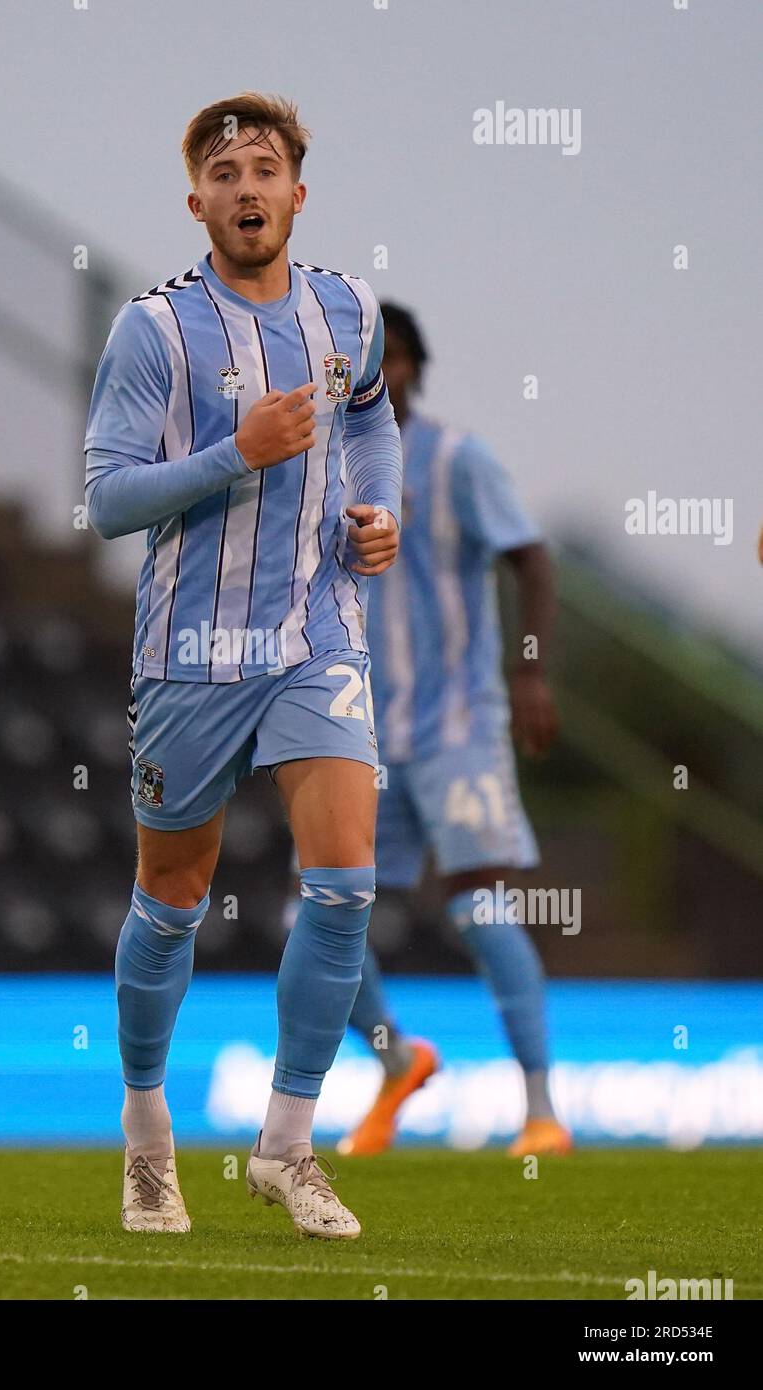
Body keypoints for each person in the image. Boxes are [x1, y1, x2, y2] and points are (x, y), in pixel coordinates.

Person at [84, 92, 403, 1238]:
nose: (247, 189)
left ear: (296, 194)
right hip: (189, 649)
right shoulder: (152, 330)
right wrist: (236, 451)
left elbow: (369, 421)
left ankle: (285, 1143)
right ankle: (146, 1141)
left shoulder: (345, 312)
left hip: (316, 637)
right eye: (224, 176)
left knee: (345, 879)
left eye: (264, 169)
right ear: (197, 203)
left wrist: (379, 511)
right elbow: (107, 498)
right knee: (170, 898)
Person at [337, 303, 572, 1159]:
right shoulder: (324, 469)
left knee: (478, 904)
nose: (380, 374)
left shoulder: (457, 460)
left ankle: (540, 1108)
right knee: (322, 916)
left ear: (414, 366)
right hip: (356, 727)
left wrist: (532, 668)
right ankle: (395, 1061)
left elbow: (531, 558)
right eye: (365, 360)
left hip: (458, 725)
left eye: (393, 358)